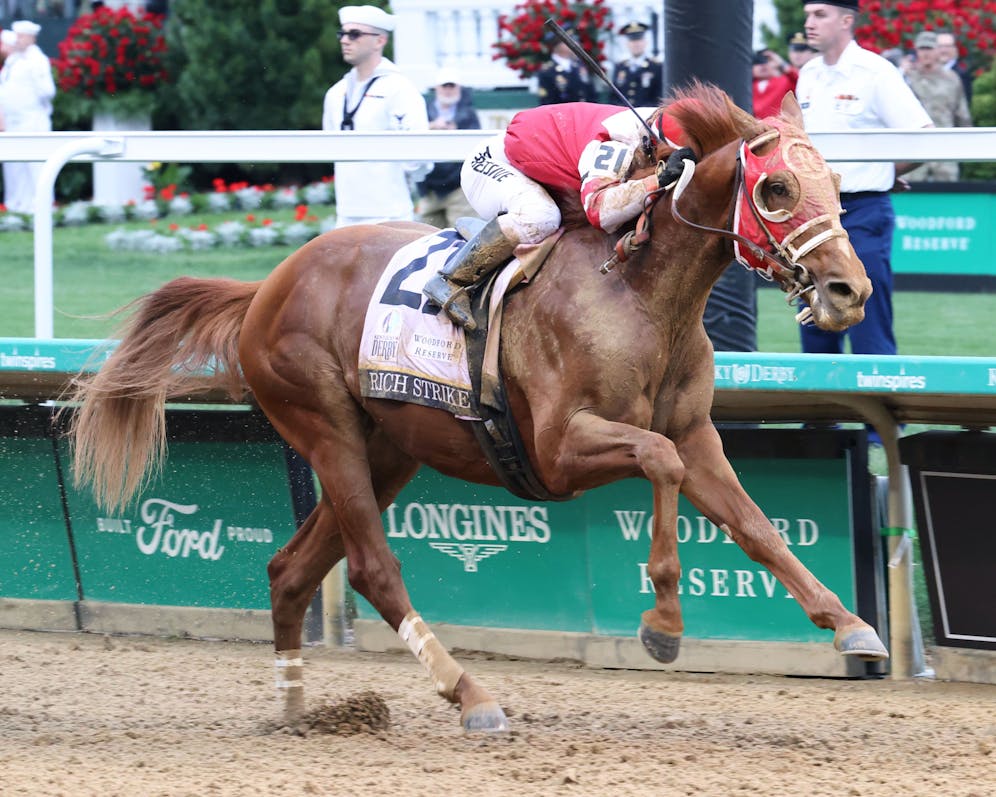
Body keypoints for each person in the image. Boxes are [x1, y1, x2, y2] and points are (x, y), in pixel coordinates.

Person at [424, 101, 682, 329]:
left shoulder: (662, 123)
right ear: (652, 144)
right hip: (492, 165)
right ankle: (451, 280)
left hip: (539, 168)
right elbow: (600, 211)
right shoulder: (618, 144)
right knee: (541, 217)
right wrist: (657, 180)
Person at [795, 1, 933, 357]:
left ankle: (882, 414)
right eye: (808, 14)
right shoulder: (808, 72)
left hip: (862, 208)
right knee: (815, 319)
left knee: (867, 319)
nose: (809, 22)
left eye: (819, 15)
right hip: (814, 215)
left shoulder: (875, 71)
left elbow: (923, 137)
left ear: (846, 20)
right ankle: (820, 413)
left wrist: (885, 174)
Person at [321, 5, 429, 228]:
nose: (344, 40)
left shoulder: (399, 88)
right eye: (342, 33)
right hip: (346, 213)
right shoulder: (336, 93)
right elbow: (329, 146)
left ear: (380, 41)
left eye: (354, 34)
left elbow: (419, 157)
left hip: (390, 213)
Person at [0, 20, 56, 214]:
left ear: (31, 37)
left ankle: (41, 206)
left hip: (32, 121)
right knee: (15, 167)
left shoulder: (37, 60)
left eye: (21, 36)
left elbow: (47, 91)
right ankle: (17, 205)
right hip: (14, 121)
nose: (18, 40)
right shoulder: (13, 60)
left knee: (36, 165)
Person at [415, 68, 481, 229]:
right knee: (426, 238)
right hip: (429, 187)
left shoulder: (469, 114)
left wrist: (455, 133)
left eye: (452, 86)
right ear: (437, 88)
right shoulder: (421, 112)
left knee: (464, 238)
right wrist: (430, 127)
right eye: (445, 86)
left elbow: (476, 146)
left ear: (459, 89)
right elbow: (413, 138)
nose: (448, 90)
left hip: (459, 188)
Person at [905, 30, 972, 183]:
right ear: (916, 51)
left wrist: (966, 145)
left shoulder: (952, 78)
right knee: (912, 195)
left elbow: (962, 114)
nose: (926, 53)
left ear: (937, 50)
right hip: (914, 150)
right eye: (922, 49)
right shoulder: (906, 77)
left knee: (947, 195)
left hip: (945, 148)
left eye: (929, 48)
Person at [535, 26, 598, 105]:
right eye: (569, 41)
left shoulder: (579, 66)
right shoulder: (547, 71)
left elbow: (591, 95)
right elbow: (546, 102)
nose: (575, 43)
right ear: (557, 45)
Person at [611, 22, 662, 107]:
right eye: (632, 40)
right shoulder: (620, 67)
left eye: (639, 40)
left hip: (646, 116)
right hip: (623, 116)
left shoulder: (655, 67)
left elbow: (659, 96)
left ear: (645, 42)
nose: (636, 44)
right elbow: (613, 97)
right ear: (627, 44)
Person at [751, 48, 797, 119]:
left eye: (767, 61)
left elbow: (800, 81)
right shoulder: (747, 86)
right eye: (757, 62)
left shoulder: (784, 81)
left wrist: (781, 63)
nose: (762, 65)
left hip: (780, 127)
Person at [935, 30, 973, 105]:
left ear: (955, 49)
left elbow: (964, 105)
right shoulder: (928, 71)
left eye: (947, 46)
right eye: (940, 46)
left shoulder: (961, 74)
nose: (943, 50)